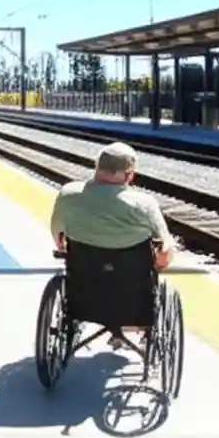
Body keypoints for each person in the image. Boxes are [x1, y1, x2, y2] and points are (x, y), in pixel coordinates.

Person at [49, 141, 176, 348]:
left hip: (83, 295)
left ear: (96, 167)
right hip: (133, 298)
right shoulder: (144, 204)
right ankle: (138, 328)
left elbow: (58, 236)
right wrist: (161, 260)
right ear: (129, 175)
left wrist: (65, 247)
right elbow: (164, 250)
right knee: (163, 257)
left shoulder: (68, 194)